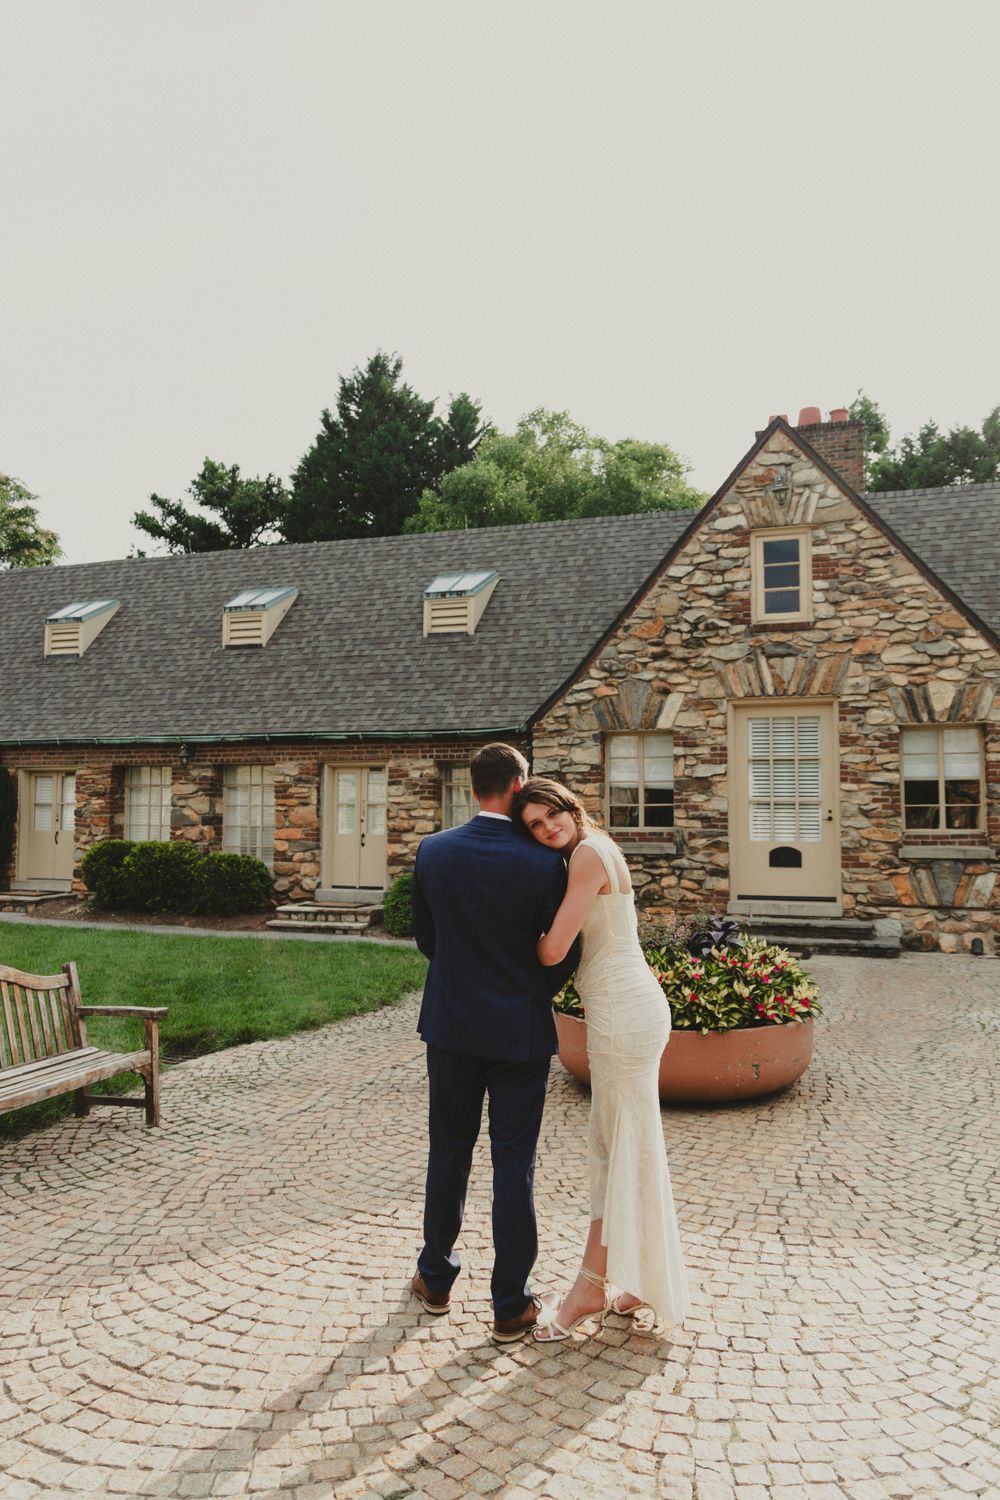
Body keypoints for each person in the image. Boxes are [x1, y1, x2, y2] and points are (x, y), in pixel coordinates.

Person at [410, 744, 580, 1344]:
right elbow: (567, 951)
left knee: (448, 1149)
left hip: (452, 1025)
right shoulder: (543, 862)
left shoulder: (433, 851)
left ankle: (434, 1278)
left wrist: (465, 979)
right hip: (519, 1031)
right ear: (517, 784)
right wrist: (527, 989)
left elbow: (425, 937)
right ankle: (510, 1304)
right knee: (514, 1163)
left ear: (473, 789)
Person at [512, 776, 690, 1342]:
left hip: (621, 1013)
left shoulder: (587, 854)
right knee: (626, 1145)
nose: (546, 830)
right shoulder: (596, 847)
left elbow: (553, 948)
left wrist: (518, 930)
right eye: (534, 827)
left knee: (615, 1150)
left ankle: (591, 1286)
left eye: (551, 816)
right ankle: (637, 1281)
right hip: (627, 1007)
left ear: (570, 806)